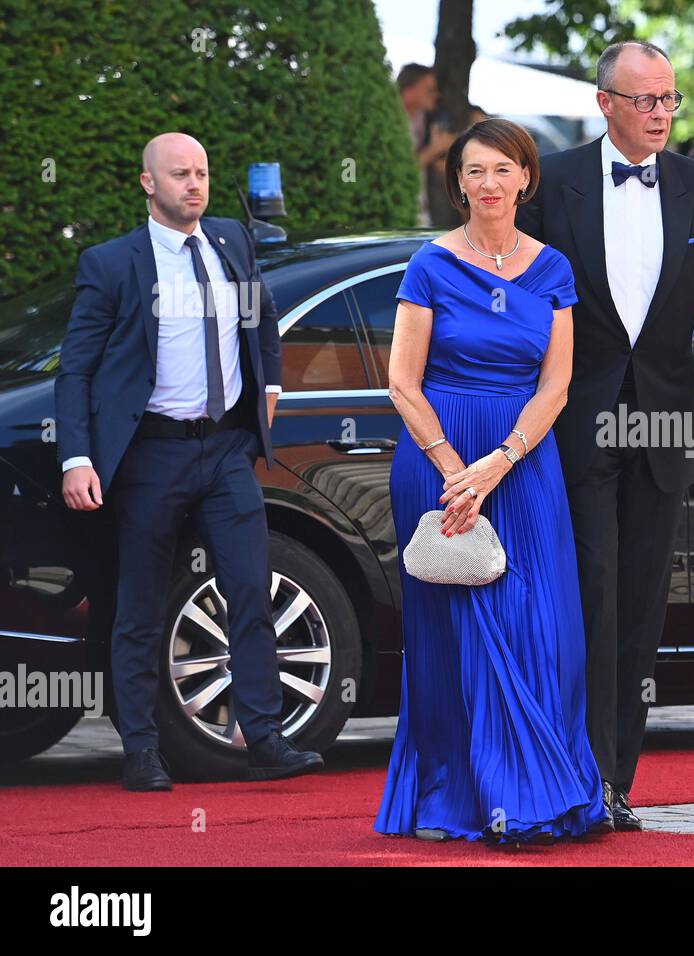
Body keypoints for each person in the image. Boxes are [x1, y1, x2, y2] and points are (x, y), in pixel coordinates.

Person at [516, 40, 694, 830]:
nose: (660, 115)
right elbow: (520, 304)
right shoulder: (554, 181)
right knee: (588, 604)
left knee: (640, 614)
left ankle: (615, 782)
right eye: (645, 100)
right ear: (604, 101)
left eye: (669, 100)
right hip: (574, 426)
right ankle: (572, 777)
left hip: (661, 426)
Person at [55, 133, 321, 791]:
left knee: (250, 591)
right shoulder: (113, 263)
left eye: (202, 173)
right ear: (149, 184)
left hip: (227, 451)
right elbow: (76, 371)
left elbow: (260, 315)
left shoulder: (232, 239)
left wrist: (271, 386)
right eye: (180, 174)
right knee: (139, 607)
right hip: (150, 456)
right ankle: (142, 751)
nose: (194, 185)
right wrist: (77, 458)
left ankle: (264, 740)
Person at [373, 118, 609, 845]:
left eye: (503, 169)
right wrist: (454, 472)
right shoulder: (431, 264)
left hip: (523, 460)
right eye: (475, 171)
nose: (489, 183)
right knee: (450, 636)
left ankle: (542, 790)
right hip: (439, 458)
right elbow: (401, 382)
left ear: (525, 178)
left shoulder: (553, 269)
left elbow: (557, 385)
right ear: (458, 184)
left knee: (546, 630)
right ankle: (453, 798)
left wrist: (498, 463)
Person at [397, 63, 457, 228]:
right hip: (401, 209)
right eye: (429, 90)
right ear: (409, 92)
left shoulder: (421, 117)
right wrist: (434, 149)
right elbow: (399, 171)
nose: (436, 95)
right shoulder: (392, 125)